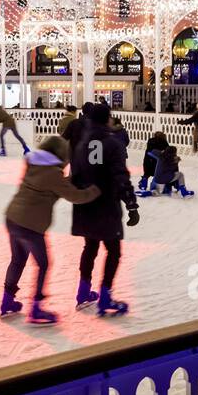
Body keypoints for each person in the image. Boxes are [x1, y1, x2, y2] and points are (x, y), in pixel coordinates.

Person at [0, 135, 100, 325]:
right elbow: (75, 196)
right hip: (30, 226)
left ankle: (7, 302)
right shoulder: (53, 174)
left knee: (17, 260)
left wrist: (71, 178)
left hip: (12, 218)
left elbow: (56, 185)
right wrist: (96, 190)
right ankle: (36, 309)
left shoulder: (34, 163)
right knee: (44, 264)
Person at [68, 101, 139, 316]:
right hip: (107, 204)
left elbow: (76, 175)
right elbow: (120, 176)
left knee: (90, 248)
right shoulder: (112, 143)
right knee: (114, 251)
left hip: (86, 205)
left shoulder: (81, 144)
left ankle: (83, 292)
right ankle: (105, 296)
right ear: (107, 119)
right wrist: (131, 203)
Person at [138, 132, 194, 199]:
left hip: (156, 178)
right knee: (180, 174)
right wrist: (176, 184)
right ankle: (183, 191)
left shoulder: (160, 155)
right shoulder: (174, 160)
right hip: (165, 180)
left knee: (150, 177)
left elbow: (152, 152)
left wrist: (162, 152)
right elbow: (175, 172)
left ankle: (147, 188)